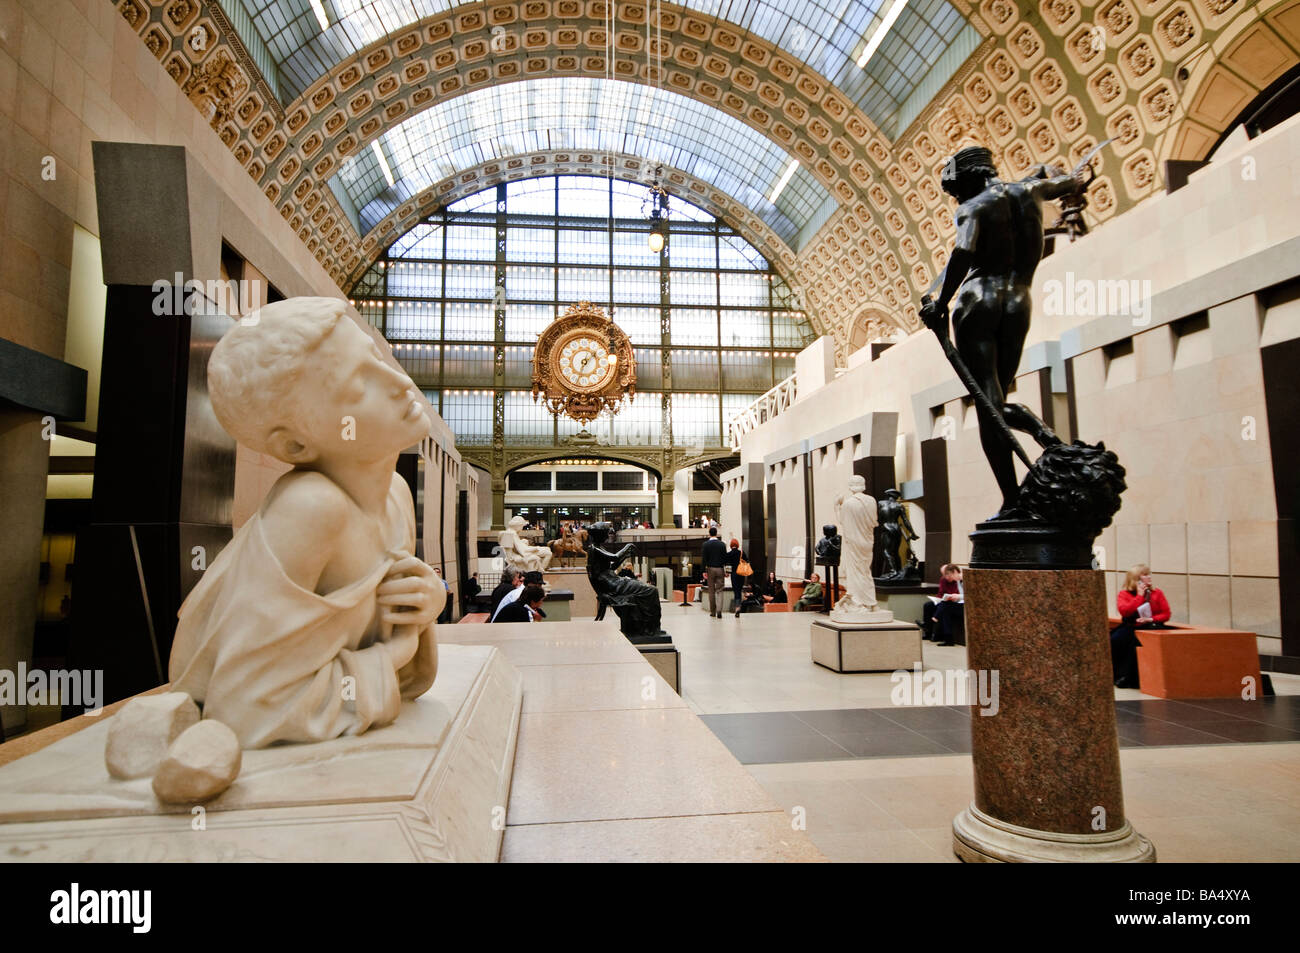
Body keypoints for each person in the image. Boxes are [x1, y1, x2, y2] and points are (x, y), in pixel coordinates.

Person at [167, 297, 441, 748]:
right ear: (295, 445)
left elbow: (367, 645)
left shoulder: (395, 493)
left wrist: (423, 604)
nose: (398, 382)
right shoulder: (313, 508)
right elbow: (245, 709)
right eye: (357, 387)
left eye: (376, 356)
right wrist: (396, 652)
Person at [919, 146, 1088, 517]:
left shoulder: (973, 208)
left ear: (969, 180)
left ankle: (1012, 496)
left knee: (988, 405)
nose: (957, 199)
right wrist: (1063, 176)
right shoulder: (1030, 192)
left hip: (978, 302)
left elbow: (963, 253)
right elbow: (1068, 183)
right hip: (1018, 304)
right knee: (996, 397)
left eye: (956, 191)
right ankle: (1037, 436)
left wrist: (941, 302)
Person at [1111, 564, 1170, 688]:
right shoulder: (1124, 594)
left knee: (1137, 644)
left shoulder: (1157, 593)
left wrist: (1151, 619)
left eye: (1149, 574)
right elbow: (1125, 611)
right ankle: (1116, 675)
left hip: (1150, 626)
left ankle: (1129, 678)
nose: (1149, 577)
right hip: (1131, 626)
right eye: (1145, 575)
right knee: (1115, 640)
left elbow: (1166, 613)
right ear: (1136, 579)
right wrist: (1139, 596)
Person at [922, 565, 964, 646]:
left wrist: (957, 596)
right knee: (945, 608)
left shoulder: (964, 579)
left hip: (966, 606)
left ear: (955, 572)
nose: (947, 577)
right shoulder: (958, 580)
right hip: (959, 603)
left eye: (949, 575)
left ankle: (934, 619)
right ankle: (948, 639)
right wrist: (956, 597)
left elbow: (970, 595)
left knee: (945, 606)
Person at [701, 527, 728, 619]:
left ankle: (713, 611)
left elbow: (704, 559)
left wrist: (703, 571)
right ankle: (719, 611)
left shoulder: (705, 545)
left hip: (710, 569)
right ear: (716, 533)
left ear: (709, 533)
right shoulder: (722, 545)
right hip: (720, 569)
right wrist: (726, 571)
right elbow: (725, 558)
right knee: (720, 590)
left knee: (711, 591)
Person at [725, 538, 747, 617]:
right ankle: (739, 607)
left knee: (736, 591)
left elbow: (727, 564)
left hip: (734, 575)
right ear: (737, 545)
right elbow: (746, 562)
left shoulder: (729, 554)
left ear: (731, 545)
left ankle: (737, 608)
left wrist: (727, 573)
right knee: (740, 590)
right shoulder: (741, 553)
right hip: (741, 574)